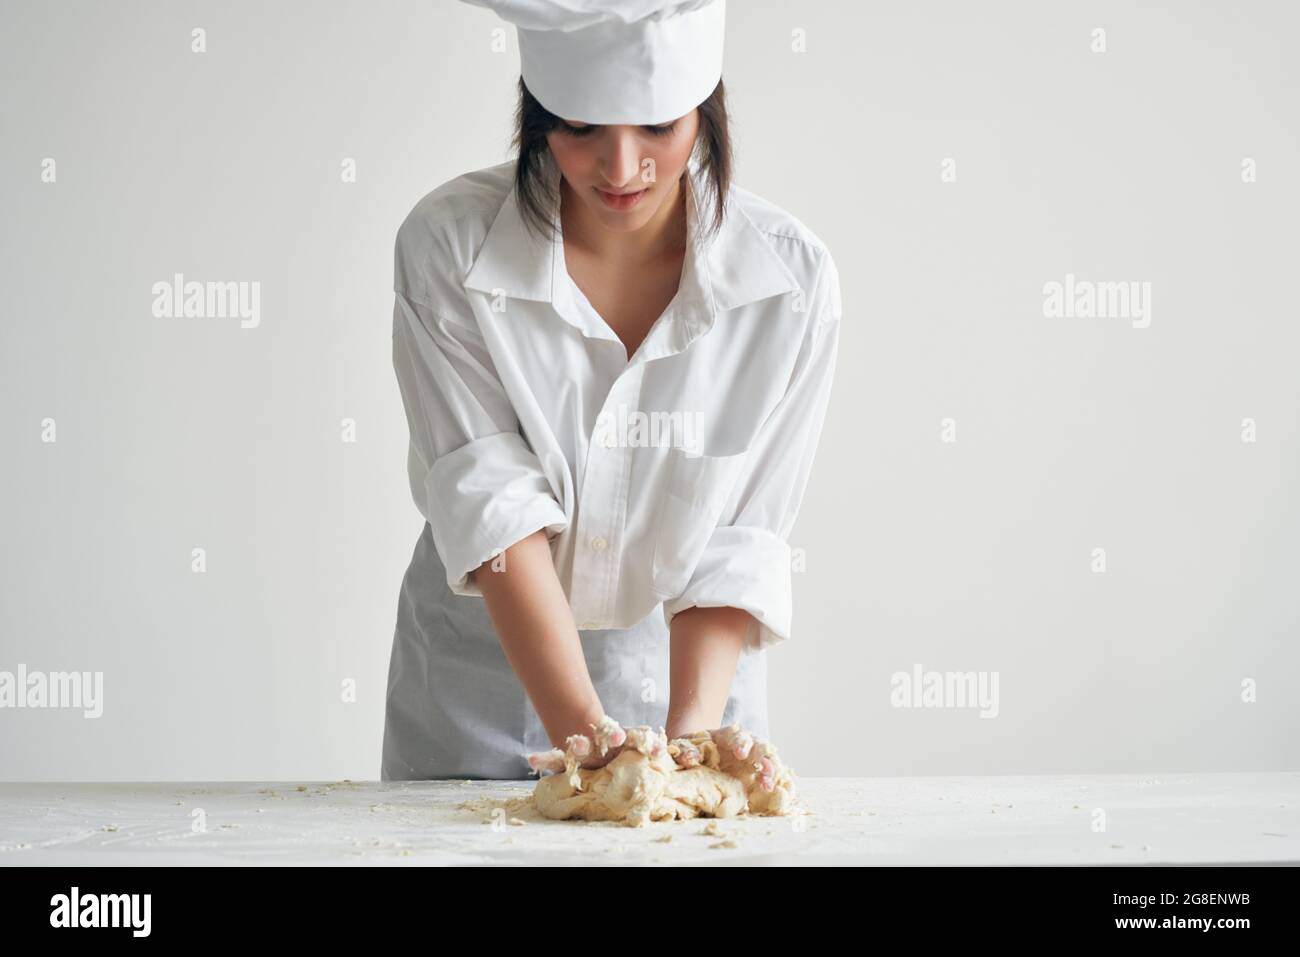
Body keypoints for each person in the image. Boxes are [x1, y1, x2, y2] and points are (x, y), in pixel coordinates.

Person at [381, 0, 842, 780]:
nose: (622, 169)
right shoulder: (448, 249)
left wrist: (686, 748)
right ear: (536, 115)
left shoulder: (790, 286)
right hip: (480, 690)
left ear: (705, 110)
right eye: (581, 126)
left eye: (658, 127)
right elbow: (497, 517)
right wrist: (591, 741)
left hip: (694, 689)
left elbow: (735, 541)